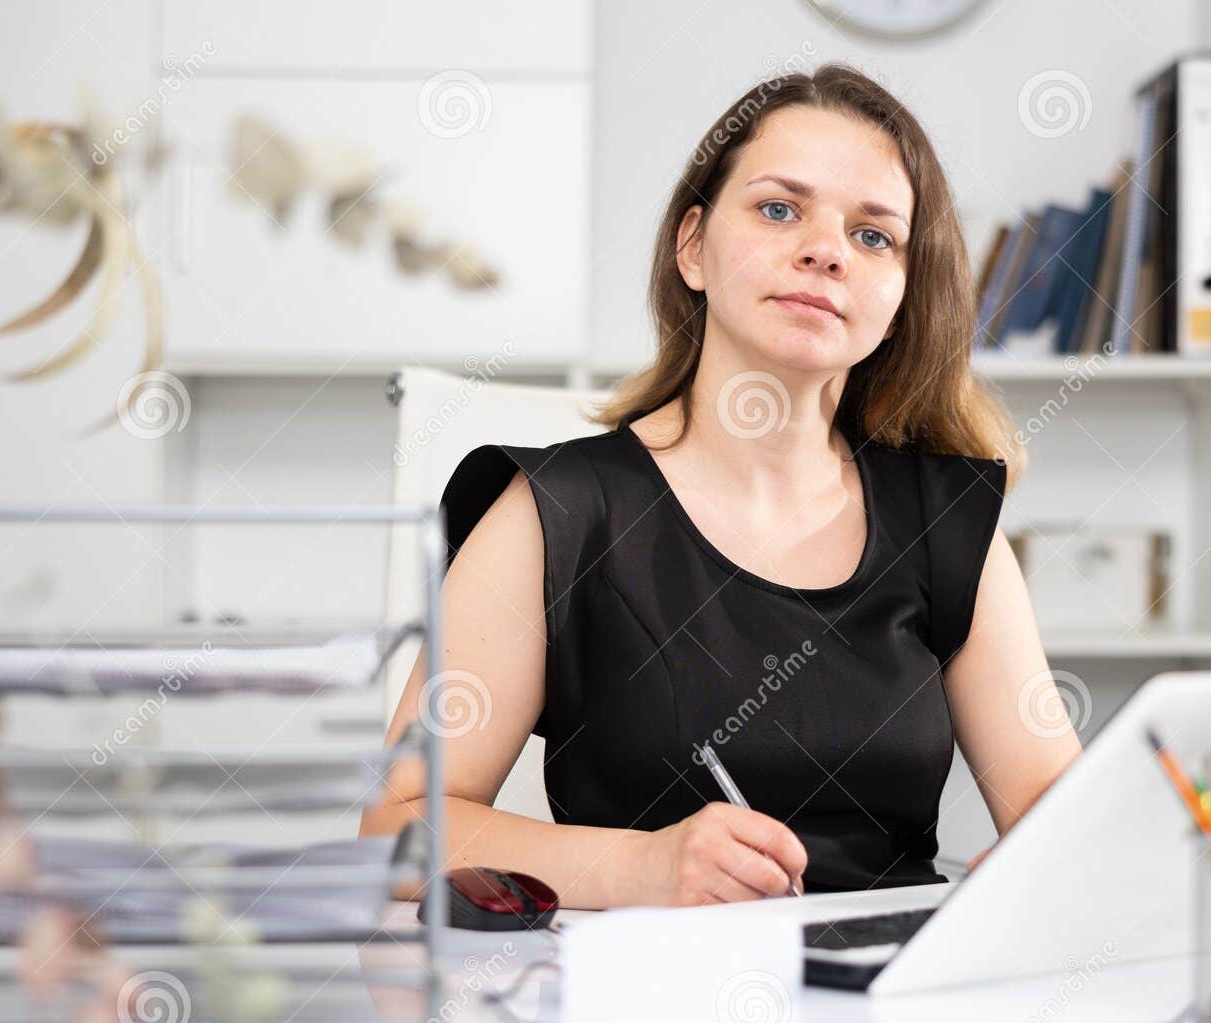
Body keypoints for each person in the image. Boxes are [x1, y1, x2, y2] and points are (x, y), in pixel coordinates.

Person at [360, 63, 1081, 908]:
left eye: (874, 235)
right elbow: (394, 831)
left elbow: (1056, 814)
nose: (825, 250)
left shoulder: (946, 524)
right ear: (692, 247)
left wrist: (1052, 860)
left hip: (888, 1009)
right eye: (780, 209)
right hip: (638, 1011)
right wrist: (645, 869)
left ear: (902, 295)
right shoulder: (553, 512)